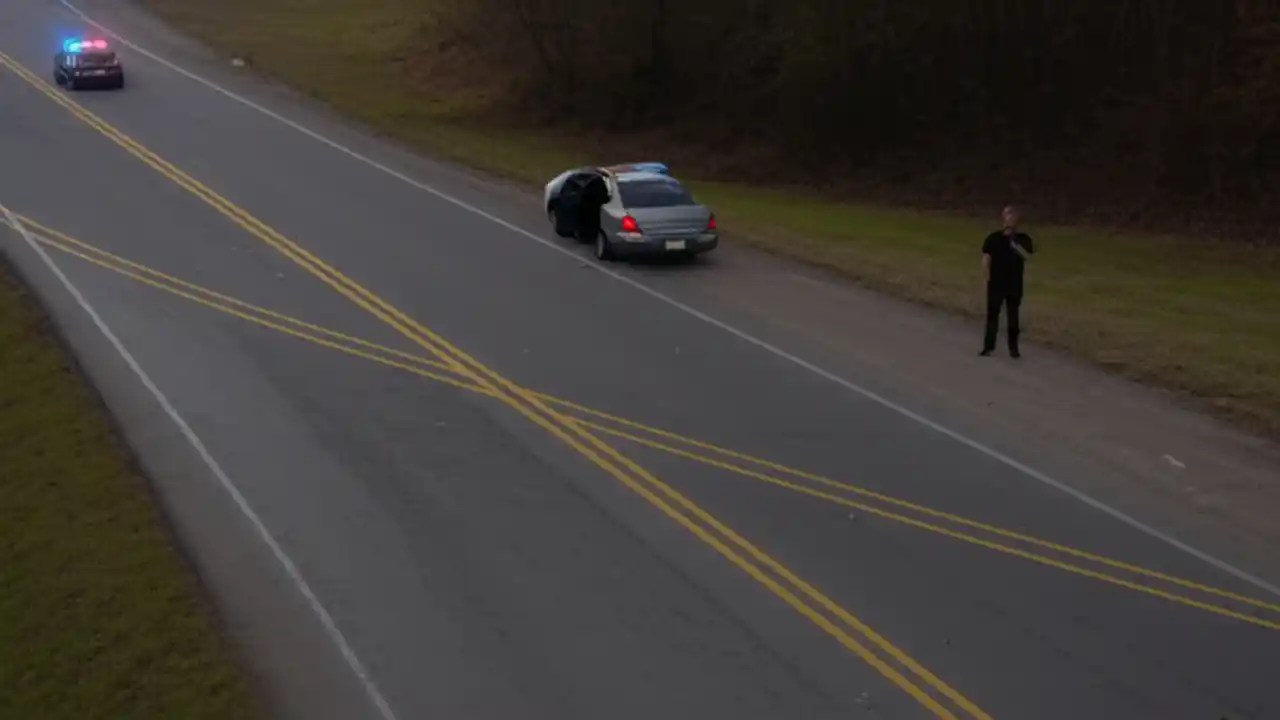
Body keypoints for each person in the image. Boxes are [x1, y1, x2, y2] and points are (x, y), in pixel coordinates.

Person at [980, 205, 1034, 358]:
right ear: (1003, 218)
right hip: (996, 283)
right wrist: (986, 275)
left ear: (1017, 220)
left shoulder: (1023, 239)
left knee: (1013, 317)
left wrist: (1014, 244)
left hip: (1014, 284)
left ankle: (1014, 349)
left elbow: (1027, 256)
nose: (1010, 219)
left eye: (1013, 216)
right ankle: (988, 347)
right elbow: (986, 258)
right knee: (992, 315)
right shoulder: (993, 238)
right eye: (1007, 216)